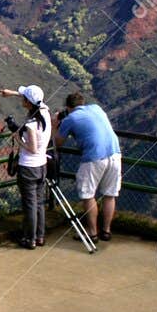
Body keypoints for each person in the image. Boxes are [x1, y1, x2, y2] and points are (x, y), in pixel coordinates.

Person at [55, 91, 122, 242]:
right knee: (110, 195)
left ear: (68, 107)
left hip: (94, 157)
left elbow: (57, 143)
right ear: (82, 103)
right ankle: (106, 231)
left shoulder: (70, 119)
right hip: (115, 153)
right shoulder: (96, 108)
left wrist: (56, 125)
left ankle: (92, 233)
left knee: (88, 195)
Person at [0, 84, 51, 249]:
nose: (21, 98)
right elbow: (32, 97)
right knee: (39, 202)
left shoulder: (31, 124)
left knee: (30, 205)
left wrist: (17, 137)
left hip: (28, 167)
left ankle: (30, 239)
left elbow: (33, 148)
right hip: (42, 166)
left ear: (28, 102)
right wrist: (11, 93)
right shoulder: (45, 112)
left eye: (24, 98)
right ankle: (40, 236)